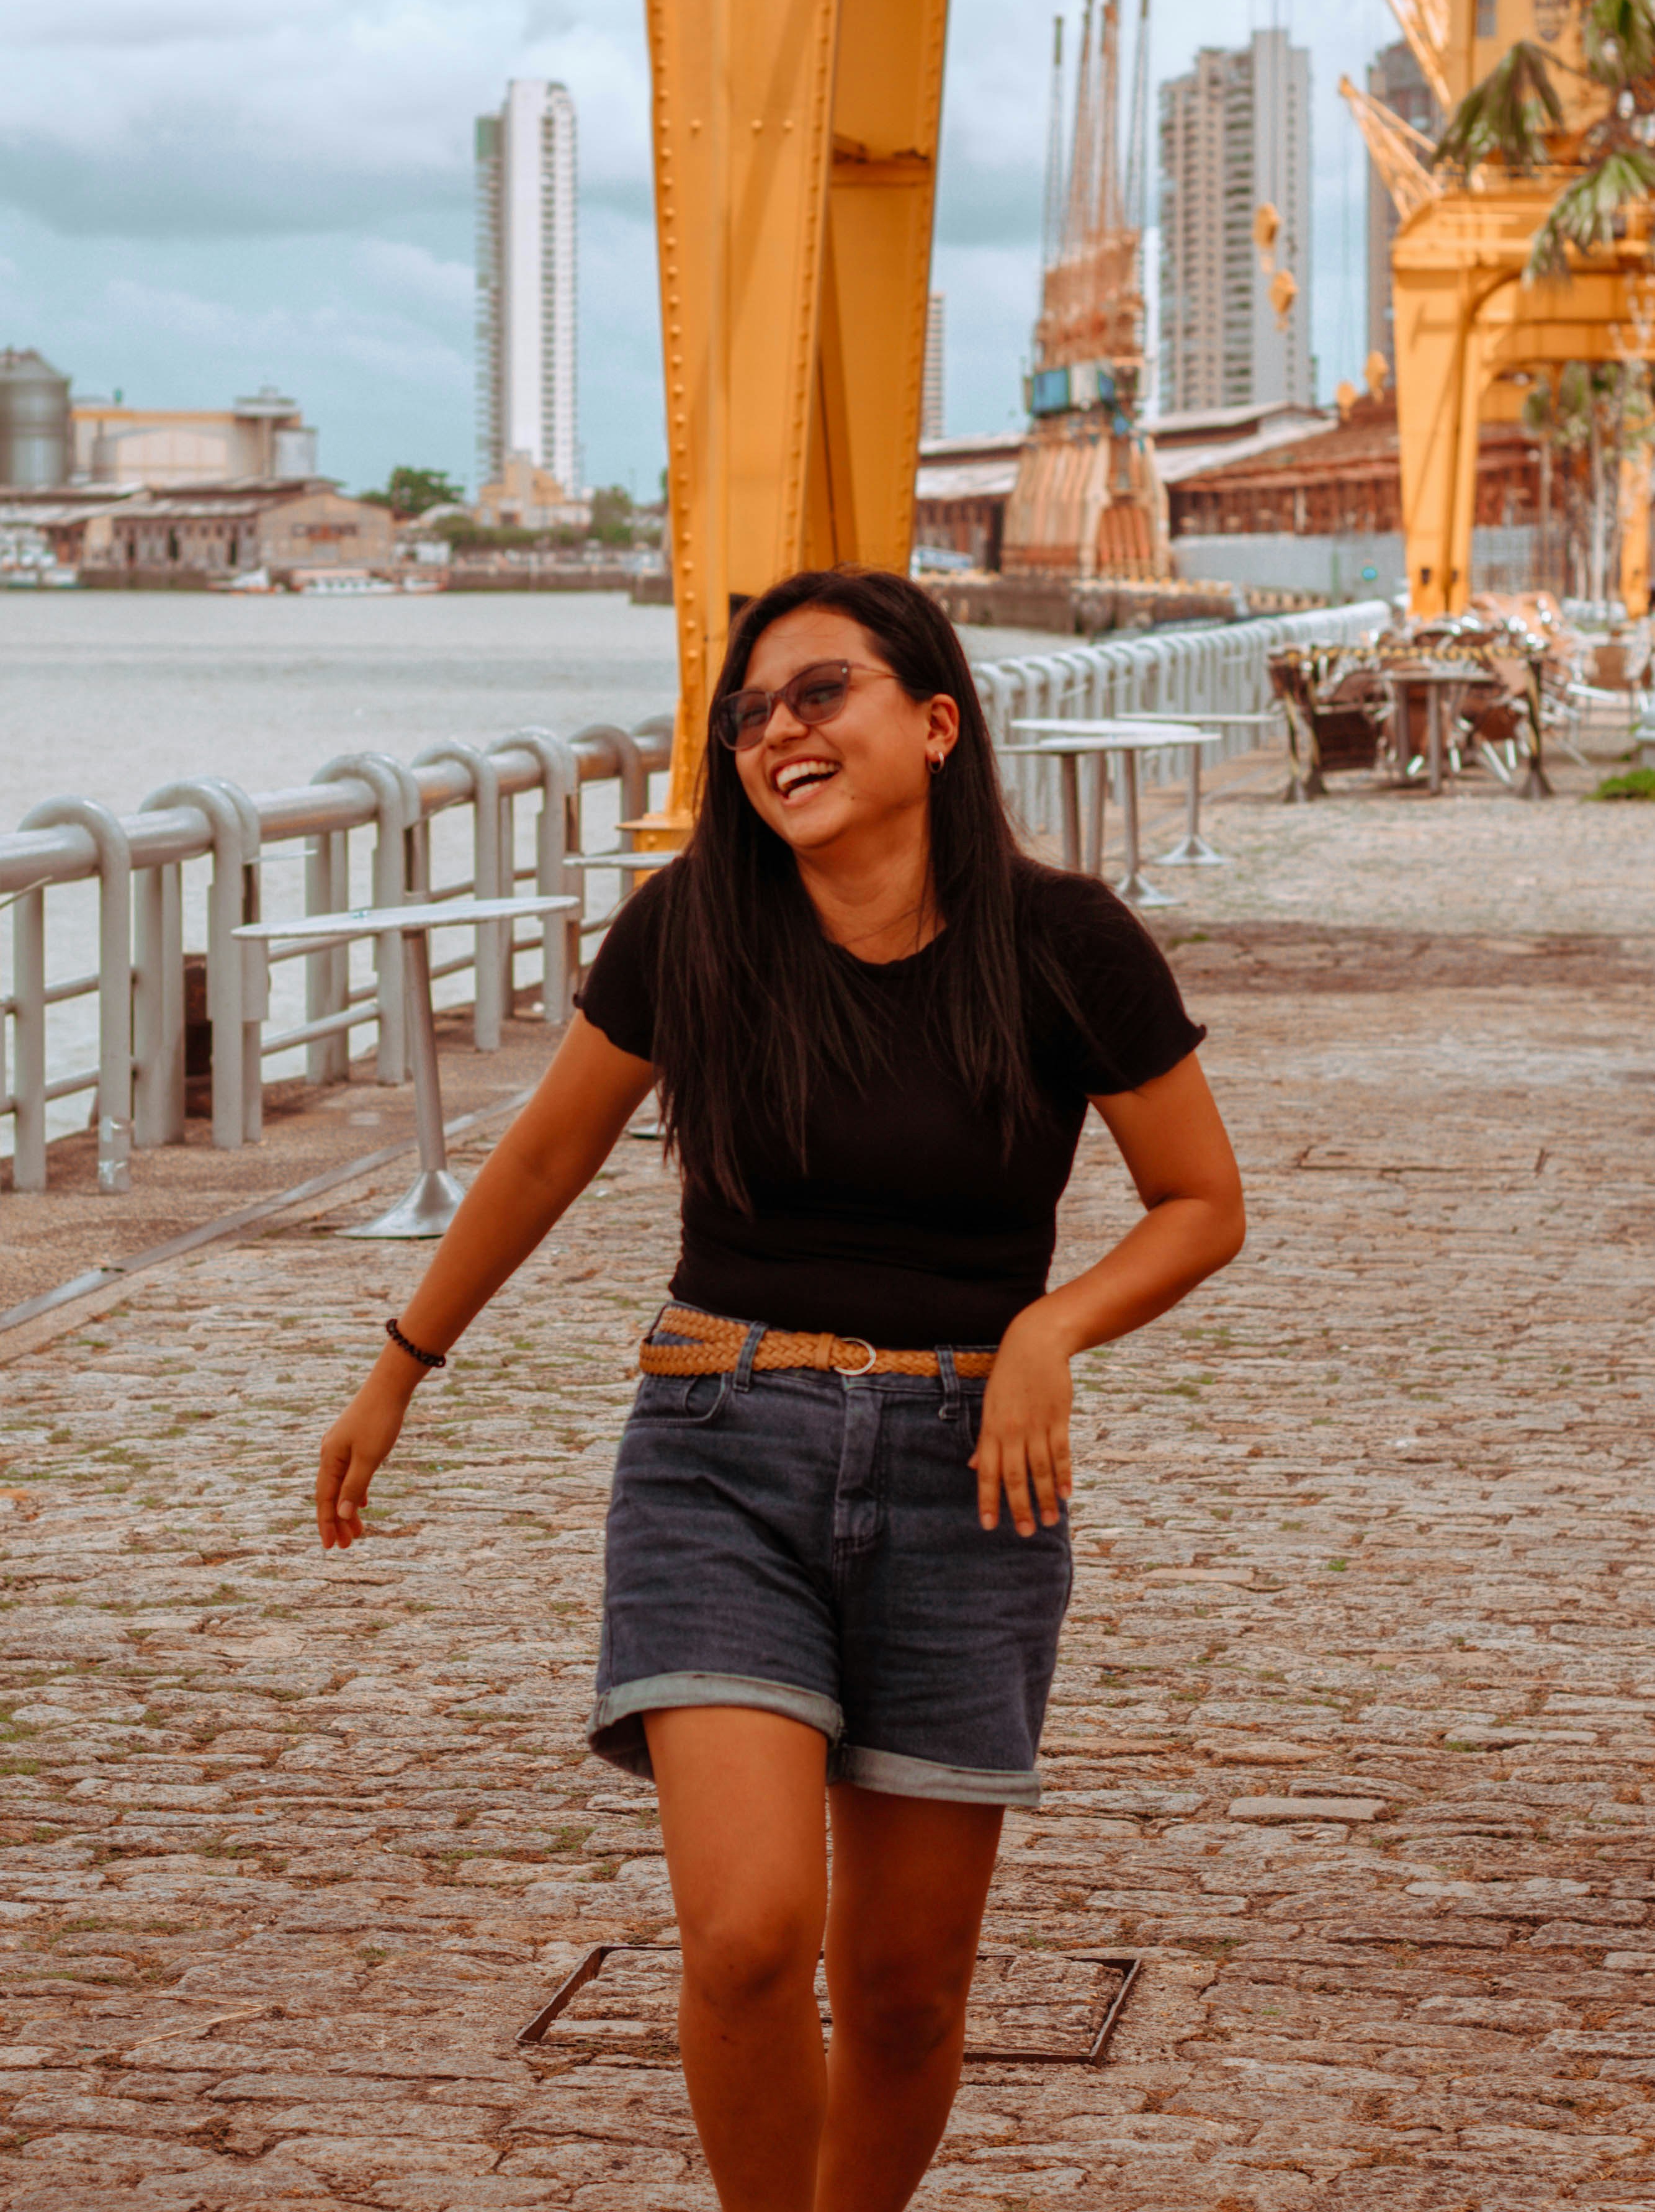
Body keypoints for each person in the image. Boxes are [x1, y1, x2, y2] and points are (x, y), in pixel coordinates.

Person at [316, 567, 1245, 2212]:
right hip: (717, 1456)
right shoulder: (692, 934)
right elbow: (541, 1153)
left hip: (970, 1493)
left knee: (901, 1996)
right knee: (748, 1939)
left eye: (817, 693)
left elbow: (1199, 1202)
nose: (773, 732)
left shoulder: (1065, 946)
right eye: (746, 713)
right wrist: (400, 1366)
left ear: (936, 722)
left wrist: (1046, 1334)